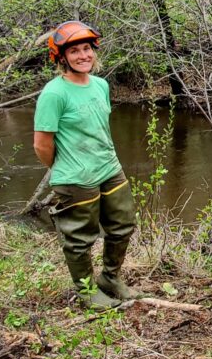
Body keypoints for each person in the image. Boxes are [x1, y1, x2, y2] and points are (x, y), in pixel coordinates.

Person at [32, 21, 140, 310]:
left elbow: (98, 128)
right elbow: (42, 144)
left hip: (109, 168)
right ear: (61, 58)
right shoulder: (54, 93)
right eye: (75, 51)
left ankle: (110, 278)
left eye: (87, 49)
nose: (83, 56)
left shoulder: (101, 85)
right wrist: (64, 168)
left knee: (123, 225)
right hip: (75, 177)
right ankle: (86, 291)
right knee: (80, 239)